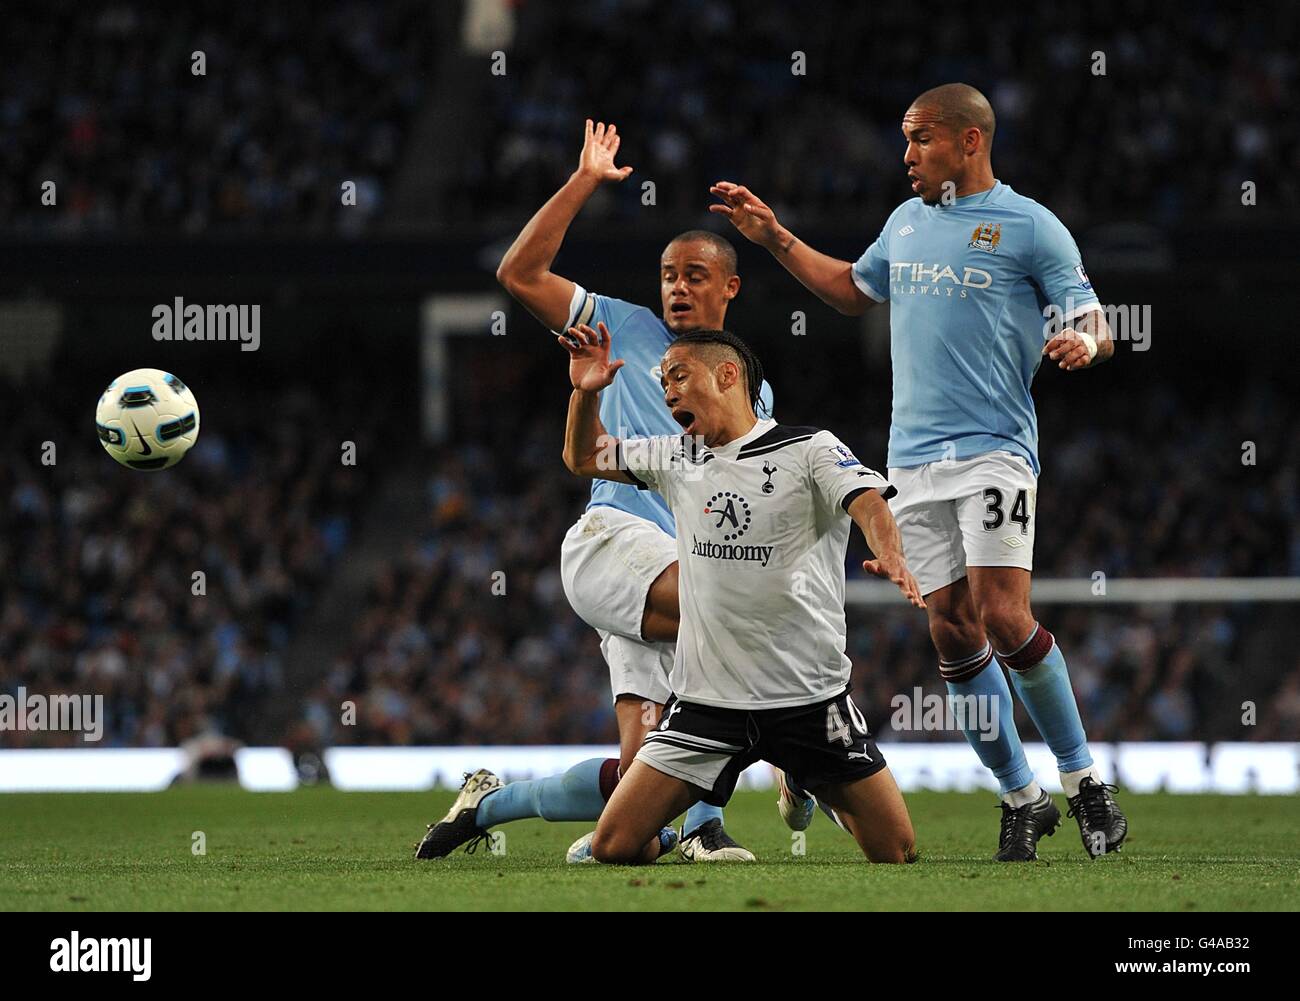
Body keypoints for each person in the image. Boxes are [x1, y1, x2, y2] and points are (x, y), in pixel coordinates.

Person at [709, 83, 1127, 861]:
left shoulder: (1031, 227)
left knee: (1005, 616)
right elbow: (849, 292)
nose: (906, 156)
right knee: (952, 631)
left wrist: (1088, 345)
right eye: (906, 141)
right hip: (913, 461)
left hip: (997, 448)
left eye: (920, 140)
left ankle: (1084, 783)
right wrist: (773, 237)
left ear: (970, 141)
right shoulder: (905, 223)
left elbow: (1092, 316)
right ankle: (1021, 797)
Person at [415, 121, 770, 863]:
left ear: (729, 287)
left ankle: (486, 806)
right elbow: (519, 272)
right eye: (669, 274)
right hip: (617, 547)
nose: (677, 286)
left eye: (694, 275)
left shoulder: (753, 391)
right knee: (736, 627)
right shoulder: (621, 324)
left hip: (681, 573)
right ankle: (719, 818)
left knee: (645, 781)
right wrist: (584, 180)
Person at [561, 321, 923, 865]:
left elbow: (868, 501)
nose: (668, 392)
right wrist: (584, 393)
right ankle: (788, 784)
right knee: (613, 845)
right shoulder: (676, 457)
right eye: (663, 382)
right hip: (708, 707)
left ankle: (804, 776)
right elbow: (584, 457)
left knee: (893, 851)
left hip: (809, 701)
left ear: (728, 375)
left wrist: (890, 550)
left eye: (678, 376)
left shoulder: (810, 448)